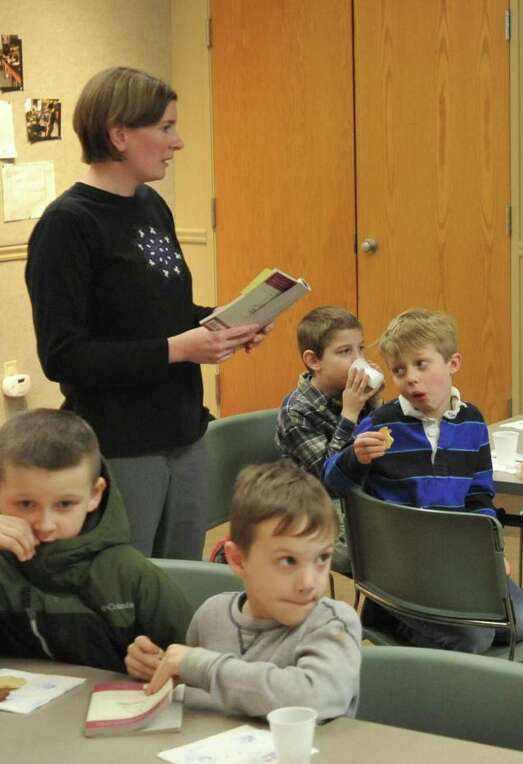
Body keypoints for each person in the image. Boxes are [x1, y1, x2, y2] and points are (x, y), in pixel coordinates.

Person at [25, 66, 268, 560]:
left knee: (178, 583)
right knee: (129, 589)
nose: (177, 142)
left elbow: (166, 315)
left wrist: (224, 322)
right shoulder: (67, 226)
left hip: (185, 433)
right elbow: (64, 357)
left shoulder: (152, 204)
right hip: (122, 445)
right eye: (164, 128)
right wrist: (177, 350)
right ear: (119, 135)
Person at [324, 309, 523, 654]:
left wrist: (489, 551)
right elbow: (333, 484)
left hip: (457, 559)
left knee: (519, 624)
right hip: (402, 564)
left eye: (422, 364)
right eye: (399, 370)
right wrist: (354, 457)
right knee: (475, 637)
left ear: (453, 363)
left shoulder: (472, 422)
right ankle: (387, 610)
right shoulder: (380, 422)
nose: (411, 379)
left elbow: (479, 495)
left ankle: (401, 614)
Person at [126, 461, 361, 720]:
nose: (309, 582)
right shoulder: (211, 615)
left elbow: (313, 698)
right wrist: (159, 669)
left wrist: (198, 666)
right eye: (288, 561)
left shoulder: (334, 622)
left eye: (322, 558)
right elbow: (197, 693)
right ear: (238, 560)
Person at [0, 409, 192, 672]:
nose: (45, 524)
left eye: (65, 504)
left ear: (95, 495)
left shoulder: (129, 574)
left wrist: (161, 664)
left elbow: (198, 662)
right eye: (25, 504)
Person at [276, 306, 383, 573]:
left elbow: (381, 449)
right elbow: (329, 481)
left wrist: (377, 403)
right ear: (314, 361)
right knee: (386, 557)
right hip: (317, 513)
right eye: (345, 352)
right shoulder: (297, 412)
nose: (359, 360)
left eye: (360, 348)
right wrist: (350, 413)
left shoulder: (351, 394)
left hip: (360, 498)